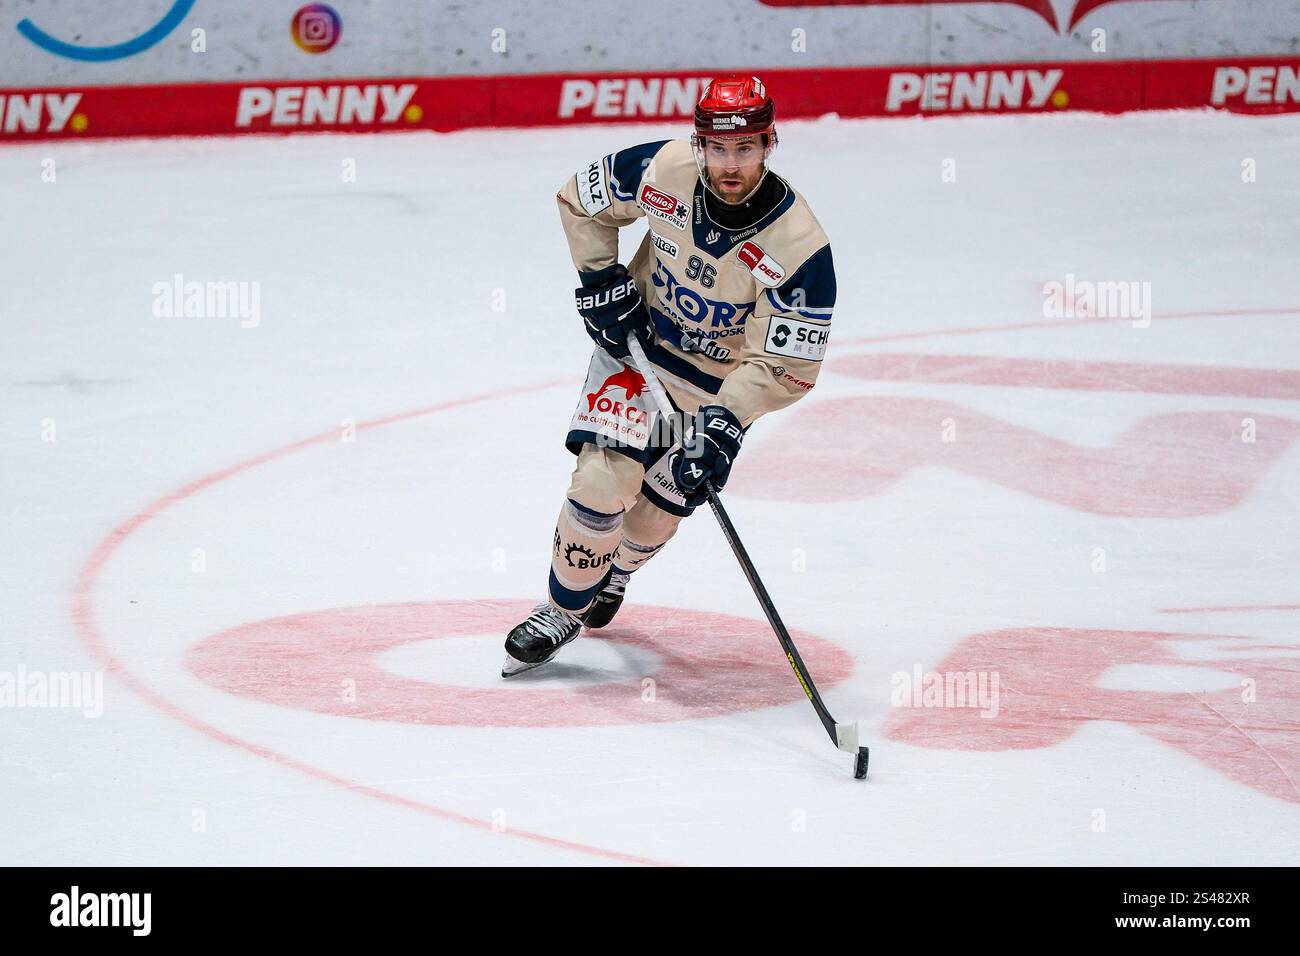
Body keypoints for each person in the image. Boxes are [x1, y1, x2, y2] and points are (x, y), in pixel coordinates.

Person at [503, 74, 836, 676]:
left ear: (770, 143)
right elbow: (580, 199)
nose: (730, 164)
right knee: (602, 481)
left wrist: (725, 423)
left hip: (716, 385)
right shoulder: (663, 170)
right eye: (717, 147)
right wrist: (601, 279)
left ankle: (617, 571)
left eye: (746, 147)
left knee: (657, 511)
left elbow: (784, 365)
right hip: (638, 349)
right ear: (698, 143)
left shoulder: (799, 246)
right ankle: (559, 610)